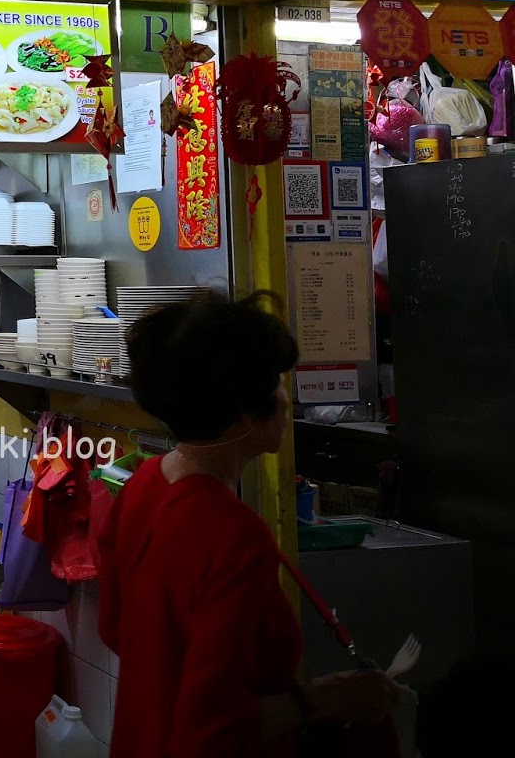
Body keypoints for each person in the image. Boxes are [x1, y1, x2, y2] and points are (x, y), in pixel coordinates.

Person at [98, 290, 398, 756]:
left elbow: (115, 631)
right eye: (277, 384)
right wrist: (325, 698)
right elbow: (213, 729)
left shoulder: (142, 487)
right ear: (242, 413)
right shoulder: (232, 538)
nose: (285, 398)